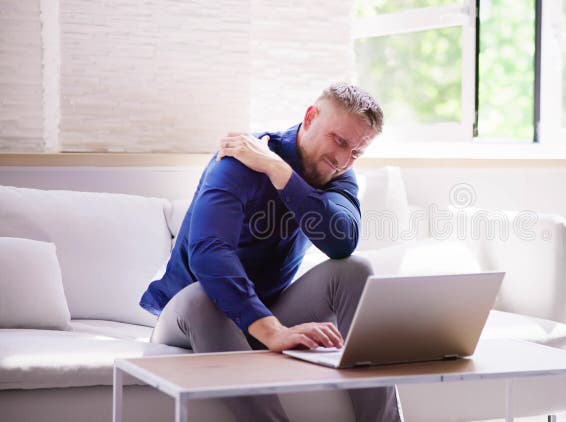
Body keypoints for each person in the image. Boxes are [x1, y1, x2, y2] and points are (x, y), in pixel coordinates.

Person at [139, 83, 400, 421]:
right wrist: (271, 330)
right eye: (339, 141)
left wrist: (280, 172)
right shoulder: (239, 159)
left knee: (355, 269)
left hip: (270, 313)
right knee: (202, 297)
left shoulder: (337, 174)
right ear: (310, 118)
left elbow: (342, 242)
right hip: (191, 317)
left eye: (357, 153)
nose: (343, 159)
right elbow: (208, 253)